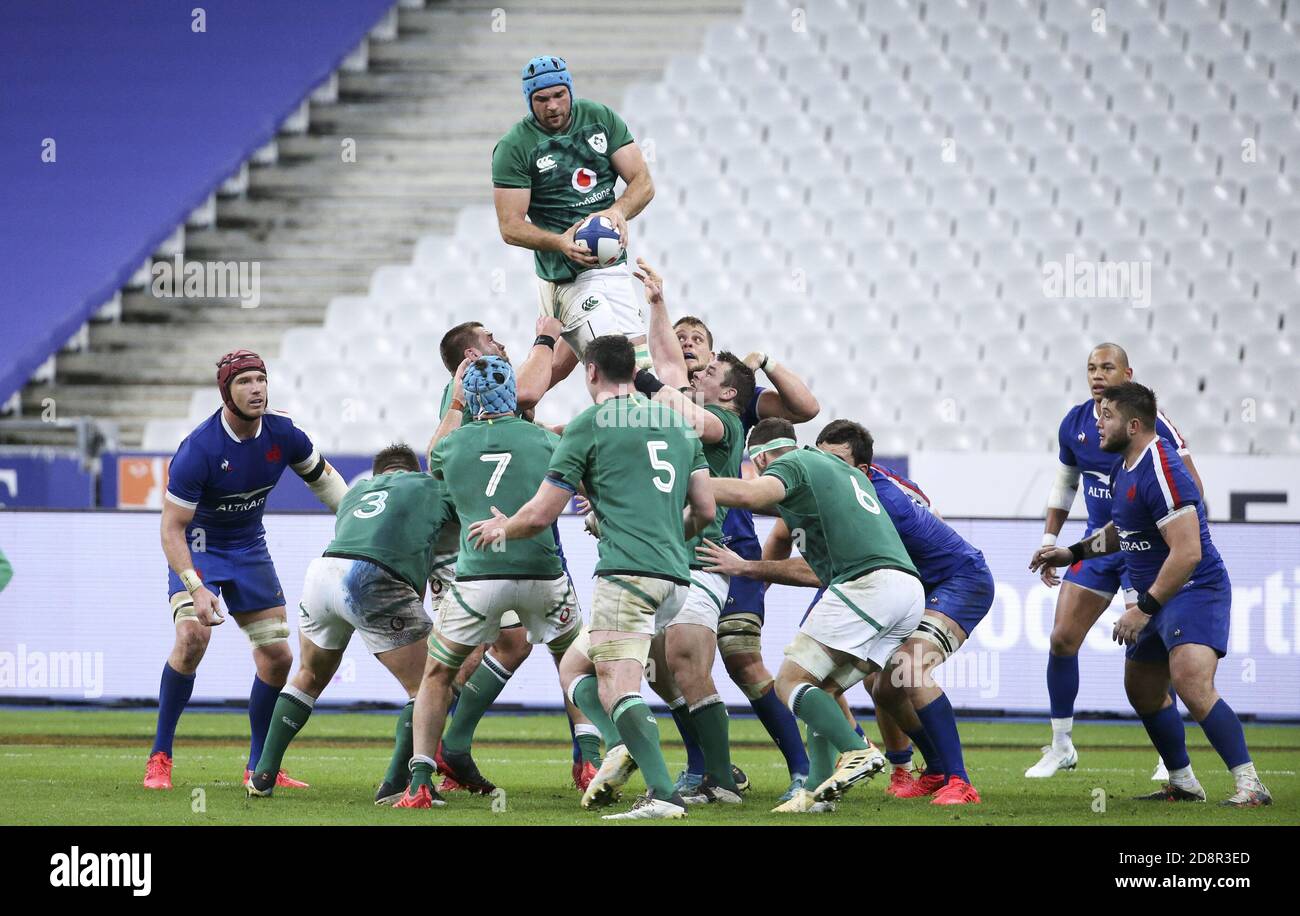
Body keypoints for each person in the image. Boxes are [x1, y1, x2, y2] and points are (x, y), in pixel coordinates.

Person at [468, 335, 716, 820]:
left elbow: (541, 514)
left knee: (618, 685)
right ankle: (622, 744)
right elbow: (704, 509)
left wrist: (502, 526)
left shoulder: (589, 425)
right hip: (674, 577)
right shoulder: (678, 424)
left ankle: (663, 795)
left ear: (592, 373)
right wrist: (667, 533)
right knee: (574, 668)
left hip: (626, 574)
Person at [706, 419, 992, 805]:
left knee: (897, 668)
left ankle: (950, 777)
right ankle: (826, 791)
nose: (831, 466)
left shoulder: (855, 490)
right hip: (903, 585)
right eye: (827, 457)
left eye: (839, 460)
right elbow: (782, 537)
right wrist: (758, 584)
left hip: (953, 578)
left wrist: (745, 566)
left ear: (862, 469)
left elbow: (818, 560)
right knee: (877, 687)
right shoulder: (840, 484)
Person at [1030, 382, 1270, 808]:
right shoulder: (1125, 467)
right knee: (1140, 688)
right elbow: (1122, 531)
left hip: (1193, 589)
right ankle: (1183, 782)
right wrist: (1074, 552)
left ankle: (1251, 784)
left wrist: (1144, 608)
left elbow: (1188, 551)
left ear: (1134, 424)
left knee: (1192, 683)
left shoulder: (1161, 466)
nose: (1098, 423)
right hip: (1158, 594)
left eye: (1107, 416)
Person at [647, 274, 820, 802]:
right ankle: (707, 769)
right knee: (665, 666)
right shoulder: (668, 404)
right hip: (676, 547)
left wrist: (760, 362)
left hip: (728, 549)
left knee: (740, 655)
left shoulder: (731, 404)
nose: (691, 343)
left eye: (699, 337)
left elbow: (807, 408)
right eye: (682, 338)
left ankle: (803, 767)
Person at [145, 350, 348, 790]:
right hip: (200, 548)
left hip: (249, 548)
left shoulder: (284, 432)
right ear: (226, 392)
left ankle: (259, 767)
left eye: (261, 379)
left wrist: (359, 527)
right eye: (244, 382)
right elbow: (171, 529)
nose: (256, 389)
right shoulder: (199, 449)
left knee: (279, 658)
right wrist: (195, 586)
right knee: (192, 636)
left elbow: (328, 485)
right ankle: (160, 755)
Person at [395, 358, 586, 809]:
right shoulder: (543, 439)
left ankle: (420, 780)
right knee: (576, 667)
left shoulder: (451, 447)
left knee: (437, 674)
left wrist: (458, 398)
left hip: (479, 576)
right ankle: (592, 760)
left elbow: (432, 455)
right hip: (543, 572)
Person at [1028, 343, 1202, 779]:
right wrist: (1052, 539)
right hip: (1101, 545)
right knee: (1062, 639)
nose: (1097, 374)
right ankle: (1061, 745)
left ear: (1128, 373)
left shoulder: (1154, 423)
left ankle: (1170, 756)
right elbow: (1067, 481)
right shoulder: (1075, 422)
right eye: (1091, 367)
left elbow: (1190, 485)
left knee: (1152, 650)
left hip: (1144, 551)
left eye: (1107, 367)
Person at [247, 444, 451, 802]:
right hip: (370, 578)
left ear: (378, 476)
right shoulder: (424, 485)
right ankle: (393, 785)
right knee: (430, 685)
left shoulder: (357, 492)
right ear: (409, 470)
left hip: (322, 575)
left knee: (308, 677)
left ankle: (263, 774)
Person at [492, 55, 655, 382]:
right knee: (615, 368)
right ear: (529, 100)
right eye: (541, 99)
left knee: (638, 364)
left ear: (570, 90)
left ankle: (515, 406)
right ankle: (506, 410)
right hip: (564, 277)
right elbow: (510, 226)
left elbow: (643, 182)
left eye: (559, 95)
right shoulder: (515, 147)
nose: (552, 105)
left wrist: (617, 211)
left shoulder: (600, 119)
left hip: (612, 265)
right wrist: (559, 242)